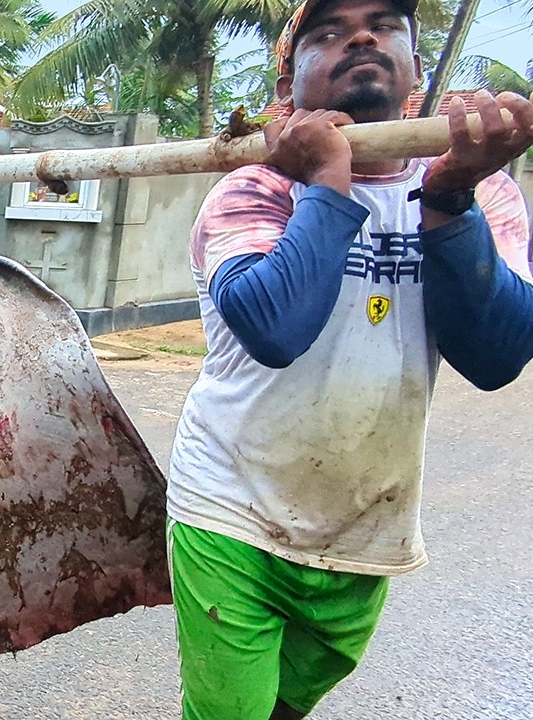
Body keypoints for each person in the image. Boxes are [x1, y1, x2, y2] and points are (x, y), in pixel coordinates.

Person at [167, 0, 533, 718]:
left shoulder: (480, 187)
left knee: (283, 707)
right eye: (328, 33)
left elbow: (496, 355)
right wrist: (327, 181)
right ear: (288, 88)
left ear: (416, 70)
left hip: (365, 525)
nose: (363, 36)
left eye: (385, 25)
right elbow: (275, 328)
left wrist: (449, 198)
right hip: (230, 507)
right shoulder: (254, 187)